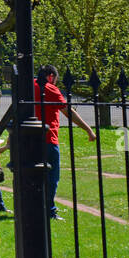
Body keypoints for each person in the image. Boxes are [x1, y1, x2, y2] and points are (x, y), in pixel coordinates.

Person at [34, 64, 96, 220]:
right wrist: (88, 129)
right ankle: (49, 210)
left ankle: (34, 208)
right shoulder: (50, 89)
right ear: (51, 76)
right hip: (48, 139)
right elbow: (67, 111)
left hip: (29, 140)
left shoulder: (29, 86)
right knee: (51, 178)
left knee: (33, 177)